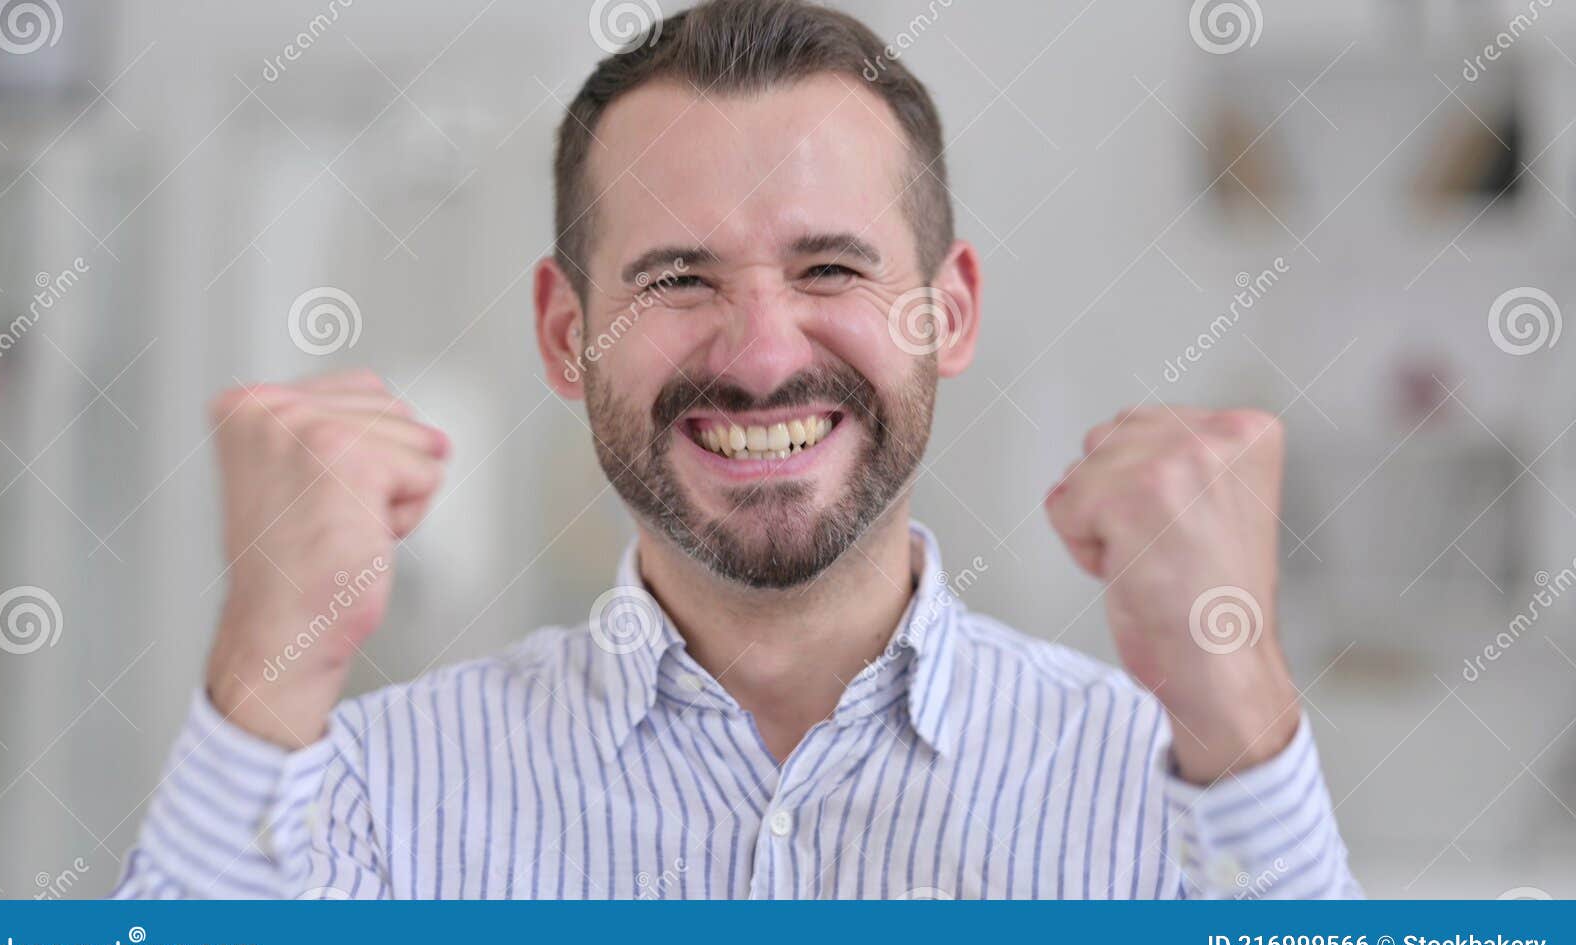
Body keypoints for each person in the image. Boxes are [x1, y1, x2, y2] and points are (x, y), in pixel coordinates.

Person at [113, 0, 1359, 899]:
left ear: (950, 311)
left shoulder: (1171, 791)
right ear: (566, 333)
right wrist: (263, 668)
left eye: (829, 267)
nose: (761, 355)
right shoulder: (376, 797)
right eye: (676, 278)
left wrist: (1238, 701)